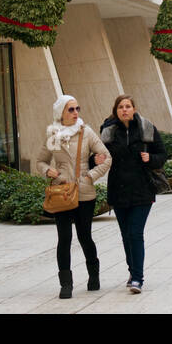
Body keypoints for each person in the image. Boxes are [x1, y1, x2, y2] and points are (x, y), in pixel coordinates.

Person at [35, 94, 111, 298]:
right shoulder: (53, 135)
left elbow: (106, 158)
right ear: (61, 112)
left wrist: (90, 176)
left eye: (78, 108)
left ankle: (93, 276)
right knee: (64, 238)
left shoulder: (86, 132)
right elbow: (41, 161)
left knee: (85, 236)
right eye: (71, 109)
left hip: (84, 193)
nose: (76, 113)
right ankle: (66, 284)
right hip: (62, 192)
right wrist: (48, 172)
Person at [100, 94, 167, 293]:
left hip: (142, 190)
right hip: (118, 190)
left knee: (135, 233)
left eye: (128, 106)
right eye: (121, 106)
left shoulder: (147, 128)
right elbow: (97, 155)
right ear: (116, 110)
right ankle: (132, 272)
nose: (125, 109)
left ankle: (138, 278)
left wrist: (150, 158)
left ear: (134, 109)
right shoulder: (108, 131)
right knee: (125, 235)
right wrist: (97, 160)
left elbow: (162, 154)